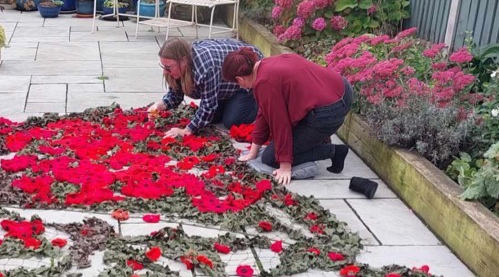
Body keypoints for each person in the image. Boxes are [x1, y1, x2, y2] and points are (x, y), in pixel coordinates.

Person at [222, 48, 353, 185]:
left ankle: (333, 152)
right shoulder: (265, 64)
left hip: (329, 112)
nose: (240, 87)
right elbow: (264, 112)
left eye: (237, 84)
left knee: (270, 158)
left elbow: (280, 124)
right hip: (341, 89)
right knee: (288, 141)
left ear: (240, 79)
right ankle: (320, 139)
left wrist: (285, 164)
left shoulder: (265, 82)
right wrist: (253, 151)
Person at [149, 38, 263, 138]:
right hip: (227, 82)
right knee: (210, 118)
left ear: (183, 61)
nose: (165, 71)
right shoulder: (181, 65)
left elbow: (208, 107)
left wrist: (186, 131)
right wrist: (162, 104)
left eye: (168, 67)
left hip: (248, 75)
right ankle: (229, 101)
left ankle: (259, 102)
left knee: (231, 121)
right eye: (164, 67)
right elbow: (176, 94)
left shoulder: (206, 68)